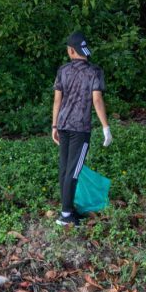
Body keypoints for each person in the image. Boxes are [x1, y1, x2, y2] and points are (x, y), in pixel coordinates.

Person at [51, 32, 111, 226]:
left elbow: (57, 100)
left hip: (63, 125)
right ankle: (66, 215)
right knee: (73, 171)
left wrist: (54, 125)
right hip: (80, 128)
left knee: (65, 168)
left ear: (70, 50)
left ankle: (67, 210)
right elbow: (97, 99)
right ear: (83, 51)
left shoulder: (63, 70)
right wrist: (105, 127)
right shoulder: (94, 71)